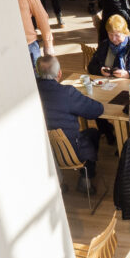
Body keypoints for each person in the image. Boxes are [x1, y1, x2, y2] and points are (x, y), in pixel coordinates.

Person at [35, 54, 103, 184]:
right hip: (72, 150)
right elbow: (96, 110)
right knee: (93, 133)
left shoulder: (32, 91)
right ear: (59, 73)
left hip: (46, 151)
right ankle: (86, 177)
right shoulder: (67, 93)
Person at [89, 15, 130, 80]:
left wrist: (128, 74)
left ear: (125, 33)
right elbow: (91, 66)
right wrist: (100, 70)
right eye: (110, 34)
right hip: (107, 83)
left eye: (117, 35)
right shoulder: (104, 45)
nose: (113, 39)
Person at [15, 0, 55, 66]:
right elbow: (41, 15)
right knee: (37, 74)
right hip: (28, 44)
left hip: (1, 49)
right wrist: (48, 46)